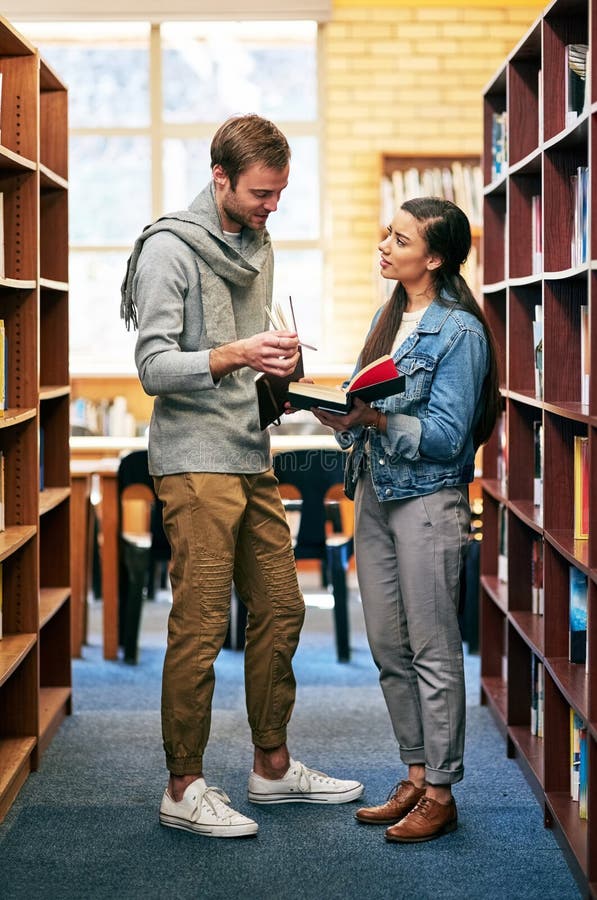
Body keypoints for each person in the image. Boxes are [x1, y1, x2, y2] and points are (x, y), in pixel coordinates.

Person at [120, 114, 363, 839]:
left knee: (283, 608)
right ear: (219, 178)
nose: (270, 206)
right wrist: (235, 353)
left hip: (250, 449)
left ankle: (270, 765)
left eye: (280, 193)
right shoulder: (169, 249)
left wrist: (284, 374)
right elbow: (154, 368)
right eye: (260, 192)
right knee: (199, 624)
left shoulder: (258, 244)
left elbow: (247, 370)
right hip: (194, 459)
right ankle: (182, 785)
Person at [311, 197, 500, 843]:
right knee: (388, 647)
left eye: (399, 239)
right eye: (385, 235)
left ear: (435, 257)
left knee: (431, 649)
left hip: (427, 501)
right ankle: (415, 775)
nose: (384, 246)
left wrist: (376, 420)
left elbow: (449, 437)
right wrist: (341, 415)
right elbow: (370, 400)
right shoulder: (389, 315)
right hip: (375, 493)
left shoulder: (460, 332)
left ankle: (441, 791)